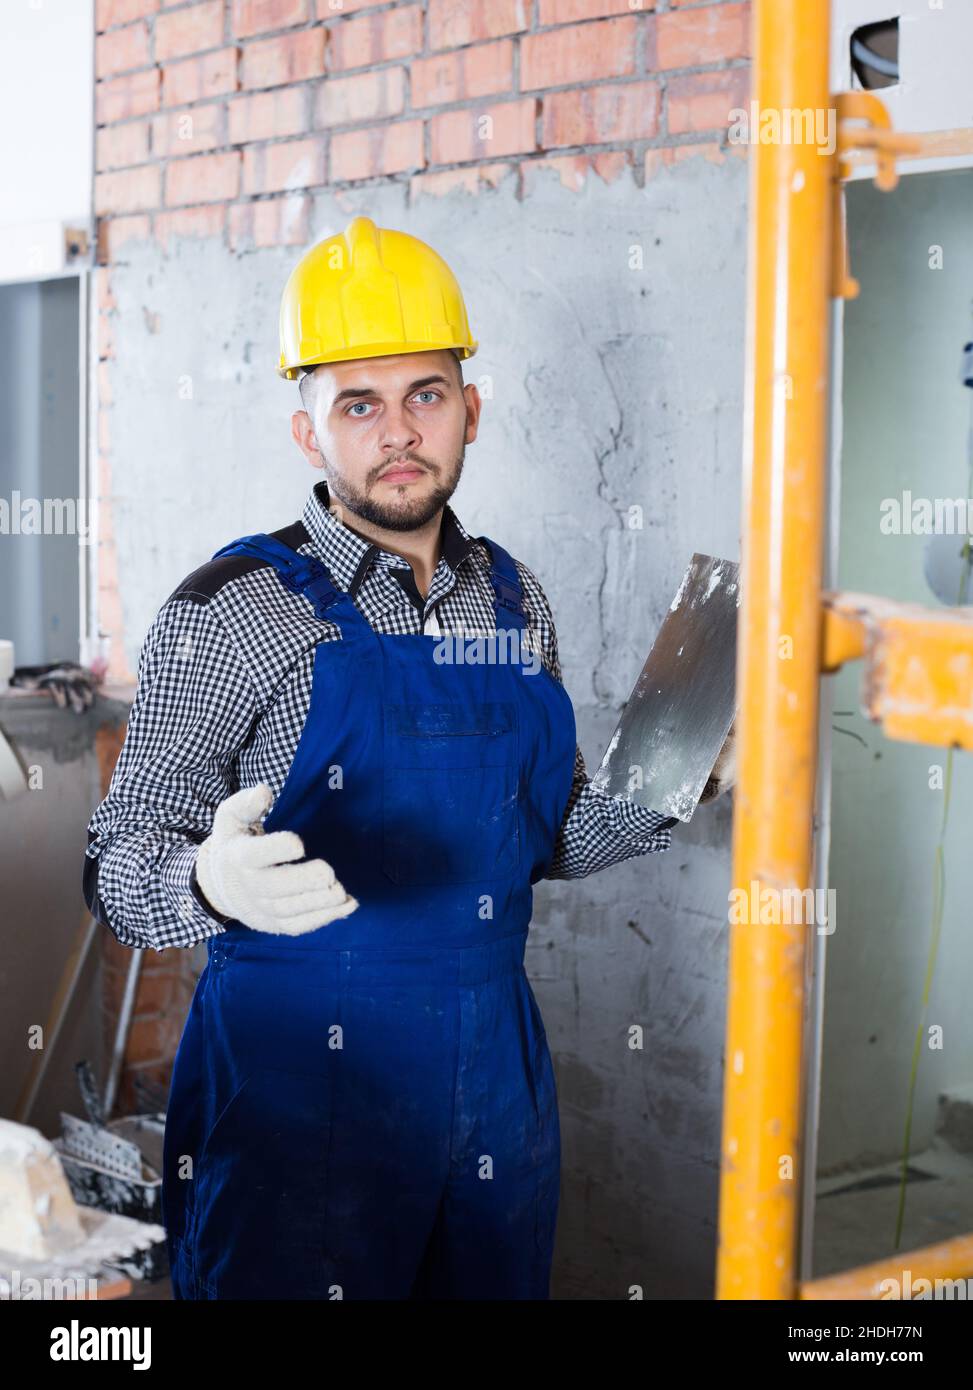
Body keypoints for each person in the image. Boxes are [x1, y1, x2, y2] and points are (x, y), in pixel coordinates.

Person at [82, 215, 733, 1301]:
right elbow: (112, 861)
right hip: (293, 1101)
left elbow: (540, 839)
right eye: (357, 404)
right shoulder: (230, 612)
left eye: (424, 395)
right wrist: (200, 877)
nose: (397, 432)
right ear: (309, 433)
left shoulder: (515, 599)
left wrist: (671, 785)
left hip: (494, 1089)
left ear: (468, 408)